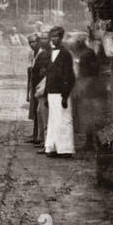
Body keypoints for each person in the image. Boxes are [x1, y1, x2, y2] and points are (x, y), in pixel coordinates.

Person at [70, 31, 108, 152]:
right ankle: (96, 142)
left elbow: (86, 73)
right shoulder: (87, 53)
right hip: (92, 87)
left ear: (79, 43)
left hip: (90, 88)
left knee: (91, 117)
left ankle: (96, 142)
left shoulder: (85, 55)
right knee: (93, 117)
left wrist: (80, 86)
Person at [43, 26, 75, 157]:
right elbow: (48, 76)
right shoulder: (50, 53)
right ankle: (53, 147)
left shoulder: (66, 54)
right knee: (53, 121)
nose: (54, 39)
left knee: (64, 121)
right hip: (51, 92)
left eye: (56, 36)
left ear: (61, 38)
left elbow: (69, 76)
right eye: (52, 36)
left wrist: (65, 95)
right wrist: (46, 95)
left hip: (62, 93)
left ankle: (66, 149)